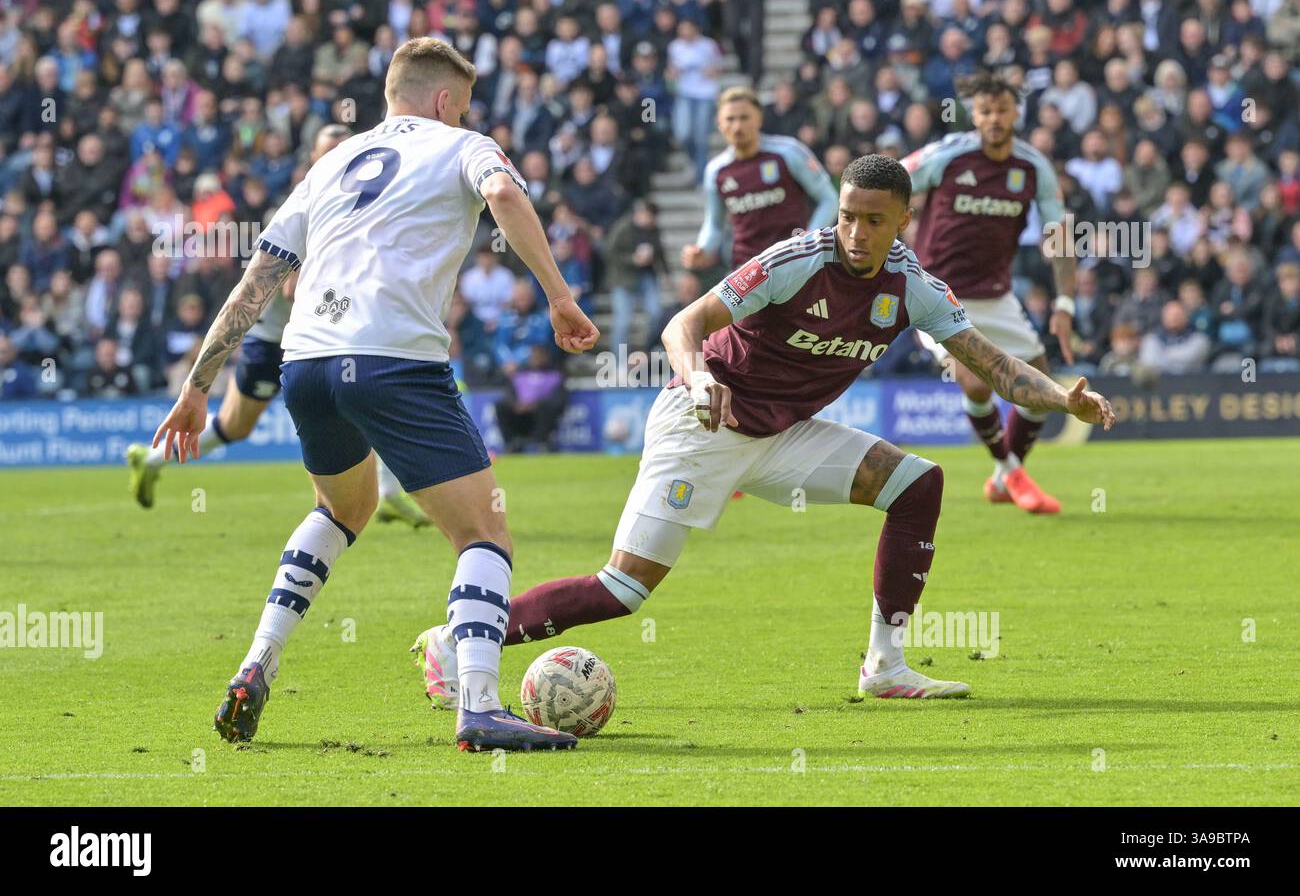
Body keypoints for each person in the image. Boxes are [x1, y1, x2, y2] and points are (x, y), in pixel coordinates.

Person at [412, 154, 1115, 707]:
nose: (856, 233)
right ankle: (458, 640)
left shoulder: (914, 286)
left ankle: (886, 665)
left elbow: (990, 363)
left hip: (784, 435)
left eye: (874, 220)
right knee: (623, 591)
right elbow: (682, 325)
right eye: (848, 216)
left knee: (916, 483)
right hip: (703, 424)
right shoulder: (796, 260)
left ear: (904, 219)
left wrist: (1061, 397)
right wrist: (699, 379)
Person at [150, 38, 599, 752]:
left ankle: (255, 663)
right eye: (466, 103)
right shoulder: (465, 144)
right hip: (393, 359)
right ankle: (480, 705)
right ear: (447, 100)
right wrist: (559, 296)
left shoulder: (330, 162)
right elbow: (505, 194)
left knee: (341, 508)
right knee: (484, 534)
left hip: (309, 362)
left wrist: (196, 387)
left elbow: (257, 281)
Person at [124, 126, 433, 527]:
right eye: (328, 151)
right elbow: (291, 288)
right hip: (273, 339)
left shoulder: (360, 210)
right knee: (236, 426)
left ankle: (387, 493)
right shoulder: (300, 207)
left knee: (367, 397)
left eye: (345, 150)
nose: (340, 158)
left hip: (321, 335)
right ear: (313, 160)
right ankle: (150, 459)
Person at [902, 70, 1076, 514]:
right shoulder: (947, 156)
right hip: (934, 291)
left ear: (1016, 112)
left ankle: (1005, 476)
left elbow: (1058, 234)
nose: (994, 118)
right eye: (985, 111)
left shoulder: (1033, 167)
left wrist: (1064, 302)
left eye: (1002, 109)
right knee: (975, 381)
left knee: (1039, 384)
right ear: (973, 115)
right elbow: (892, 181)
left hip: (995, 295)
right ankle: (1013, 474)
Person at [683, 86, 838, 285]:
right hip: (746, 272)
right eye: (730, 119)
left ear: (759, 119)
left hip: (795, 265)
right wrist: (702, 249)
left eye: (744, 117)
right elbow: (714, 224)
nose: (737, 126)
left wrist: (809, 242)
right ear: (719, 124)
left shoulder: (788, 152)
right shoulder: (716, 171)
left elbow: (829, 198)